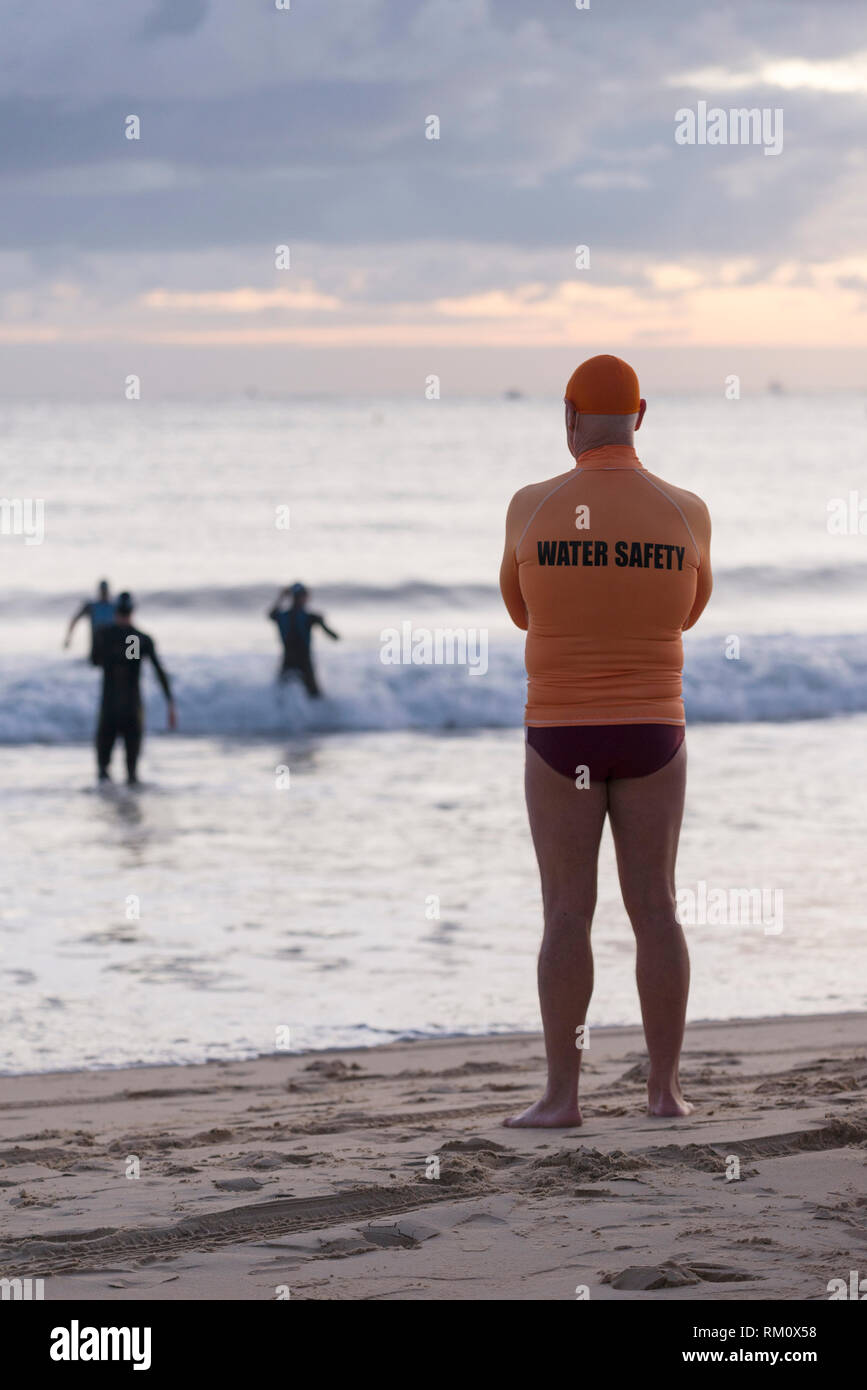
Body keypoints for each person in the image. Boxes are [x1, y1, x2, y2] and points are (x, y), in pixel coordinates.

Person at [499, 354, 712, 1127]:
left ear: (567, 417)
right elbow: (686, 614)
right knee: (655, 907)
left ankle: (561, 1097)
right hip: (652, 729)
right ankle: (663, 1092)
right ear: (641, 415)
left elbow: (521, 611)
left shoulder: (530, 506)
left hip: (561, 734)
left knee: (565, 913)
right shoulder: (687, 510)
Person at [93, 592, 176, 785]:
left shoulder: (104, 634)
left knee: (103, 771)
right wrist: (170, 701)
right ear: (132, 611)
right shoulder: (139, 638)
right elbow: (155, 669)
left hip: (110, 708)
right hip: (131, 708)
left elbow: (95, 660)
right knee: (131, 773)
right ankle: (129, 807)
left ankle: (109, 806)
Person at [268, 583, 338, 697]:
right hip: (293, 660)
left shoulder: (306, 616)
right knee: (284, 693)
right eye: (301, 596)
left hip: (300, 661)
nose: (303, 599)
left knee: (312, 695)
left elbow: (333, 636)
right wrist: (281, 597)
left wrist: (281, 597)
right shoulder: (291, 616)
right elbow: (270, 614)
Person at [64, 579, 115, 664]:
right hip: (97, 646)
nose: (104, 593)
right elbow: (75, 619)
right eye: (103, 591)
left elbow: (127, 625)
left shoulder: (115, 606)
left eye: (105, 591)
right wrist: (68, 638)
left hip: (112, 646)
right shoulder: (92, 606)